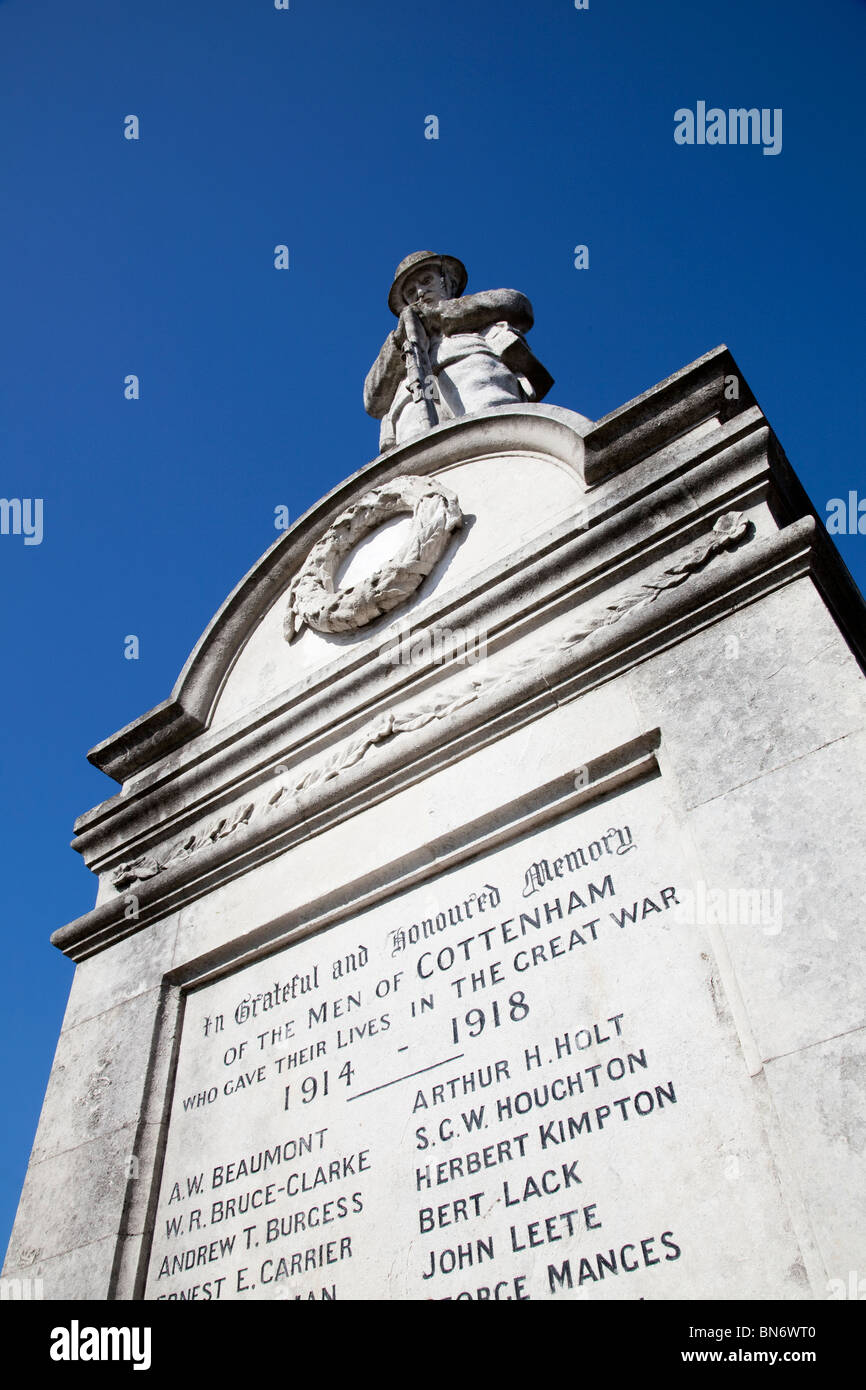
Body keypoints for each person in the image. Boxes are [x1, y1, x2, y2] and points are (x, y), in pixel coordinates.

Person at [364, 251, 553, 453]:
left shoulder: (466, 311)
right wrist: (399, 340)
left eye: (427, 280)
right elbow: (372, 400)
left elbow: (518, 305)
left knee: (495, 431)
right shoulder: (397, 341)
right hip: (415, 391)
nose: (420, 292)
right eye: (411, 292)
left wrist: (442, 313)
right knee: (415, 456)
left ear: (448, 282)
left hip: (468, 363)